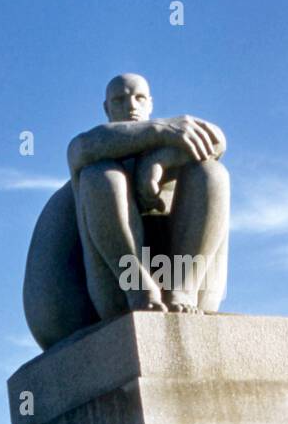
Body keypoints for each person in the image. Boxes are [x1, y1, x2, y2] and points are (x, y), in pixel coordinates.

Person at [23, 73, 230, 349]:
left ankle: (182, 290)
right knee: (101, 176)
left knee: (212, 172)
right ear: (107, 109)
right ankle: (138, 287)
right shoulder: (91, 155)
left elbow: (217, 140)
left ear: (150, 103)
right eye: (120, 100)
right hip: (116, 295)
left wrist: (157, 161)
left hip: (189, 288)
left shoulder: (177, 146)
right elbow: (80, 148)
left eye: (139, 98)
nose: (131, 105)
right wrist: (161, 130)